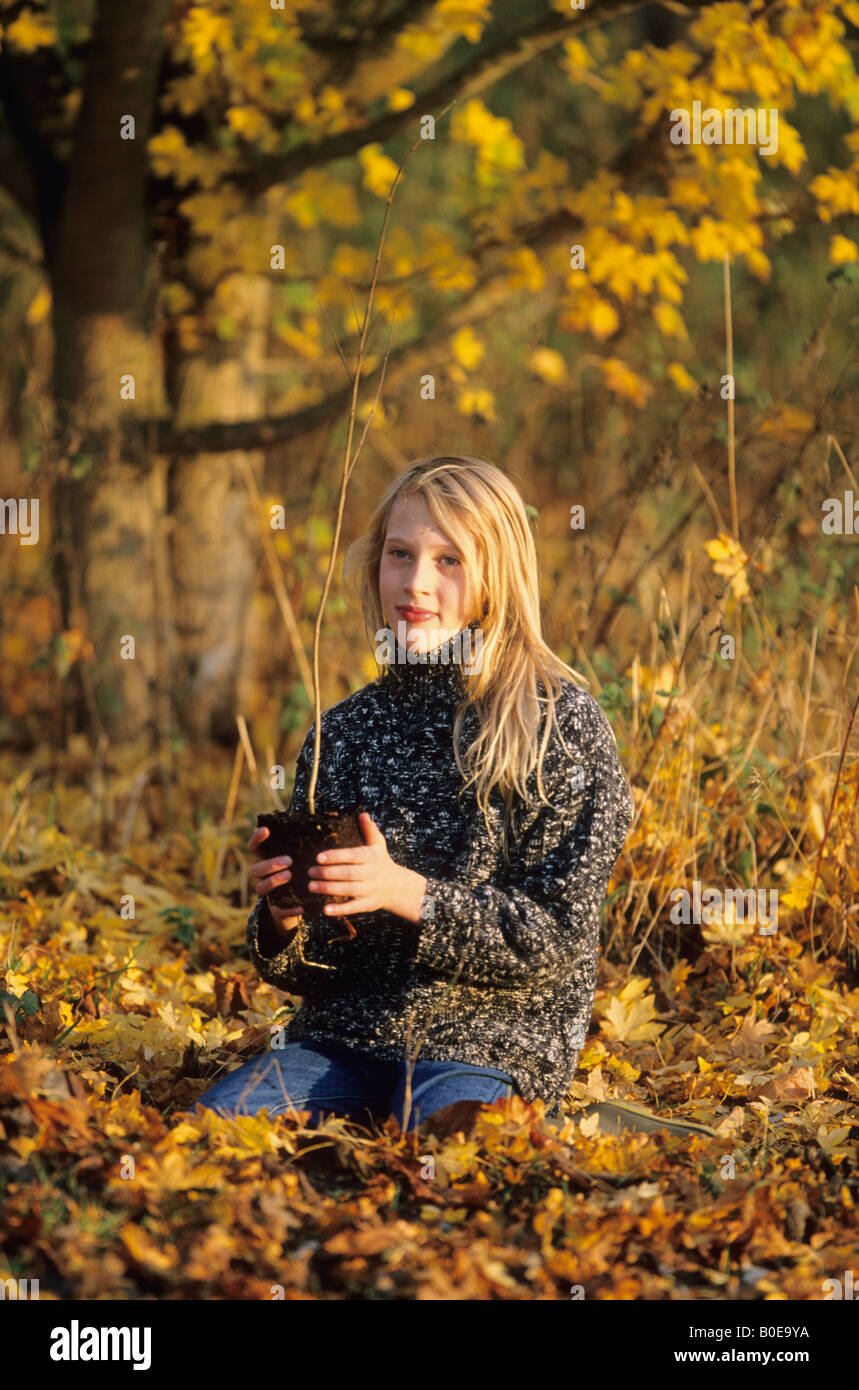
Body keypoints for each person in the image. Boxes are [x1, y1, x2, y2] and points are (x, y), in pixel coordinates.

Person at [194, 455, 633, 1136]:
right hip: (341, 1044)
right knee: (213, 1133)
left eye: (449, 560)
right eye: (399, 554)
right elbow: (317, 966)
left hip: (488, 1047)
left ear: (497, 576)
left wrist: (406, 893)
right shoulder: (344, 731)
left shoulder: (557, 724)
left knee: (447, 1162)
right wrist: (285, 914)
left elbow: (554, 938)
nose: (415, 583)